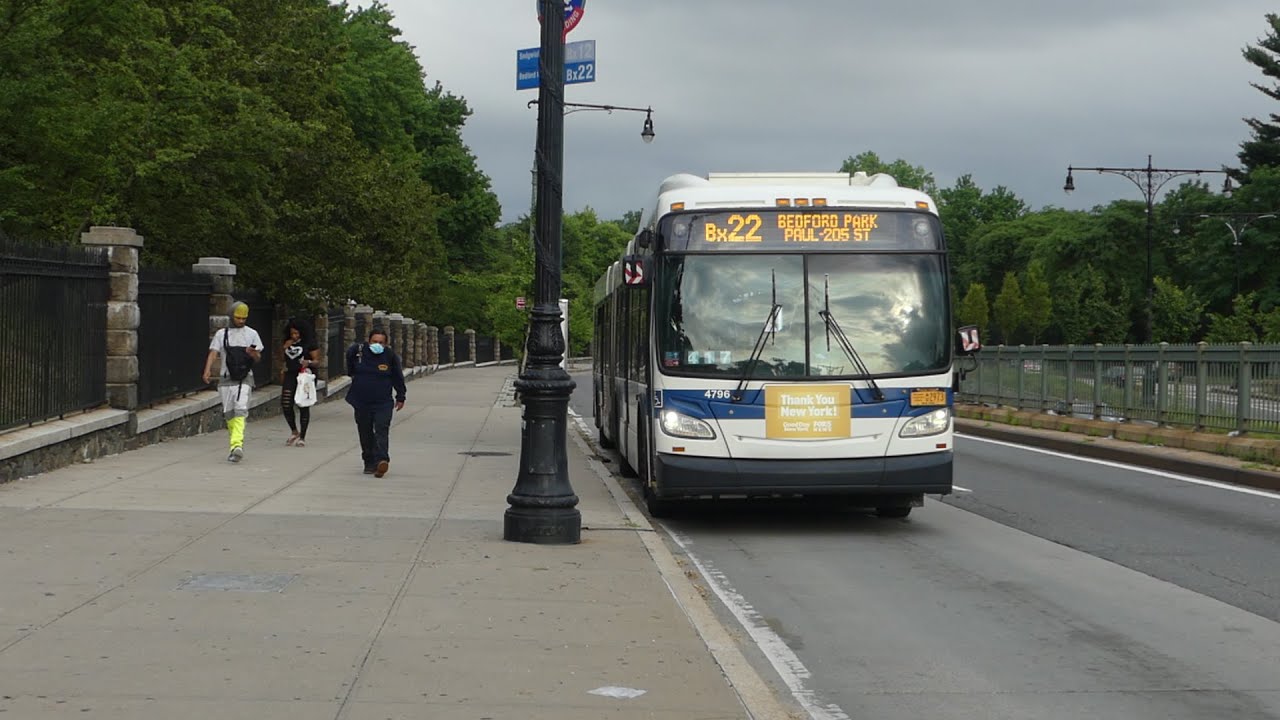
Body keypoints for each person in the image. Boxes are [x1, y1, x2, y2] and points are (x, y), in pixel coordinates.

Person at [202, 301, 264, 462]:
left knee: (241, 409)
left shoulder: (252, 334)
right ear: (231, 316)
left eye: (244, 318)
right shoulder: (222, 334)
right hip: (226, 379)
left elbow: (258, 358)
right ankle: (234, 445)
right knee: (229, 413)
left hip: (245, 378)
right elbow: (213, 353)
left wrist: (253, 354)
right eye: (238, 317)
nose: (241, 321)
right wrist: (208, 369)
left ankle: (237, 445)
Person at [346, 329, 406, 477]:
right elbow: (350, 368)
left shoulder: (390, 356)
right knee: (365, 431)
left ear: (386, 344)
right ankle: (369, 461)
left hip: (383, 402)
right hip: (361, 401)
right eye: (374, 342)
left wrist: (401, 396)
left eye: (381, 342)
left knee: (381, 429)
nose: (377, 345)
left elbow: (397, 376)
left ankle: (382, 460)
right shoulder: (358, 352)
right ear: (368, 341)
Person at [281, 318, 321, 447]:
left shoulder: (310, 343)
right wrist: (284, 348)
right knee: (286, 403)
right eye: (292, 333)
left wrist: (308, 362)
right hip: (290, 374)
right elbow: (281, 357)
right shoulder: (287, 342)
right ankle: (294, 431)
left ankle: (302, 436)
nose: (294, 336)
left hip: (304, 376)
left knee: (303, 405)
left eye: (297, 333)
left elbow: (317, 361)